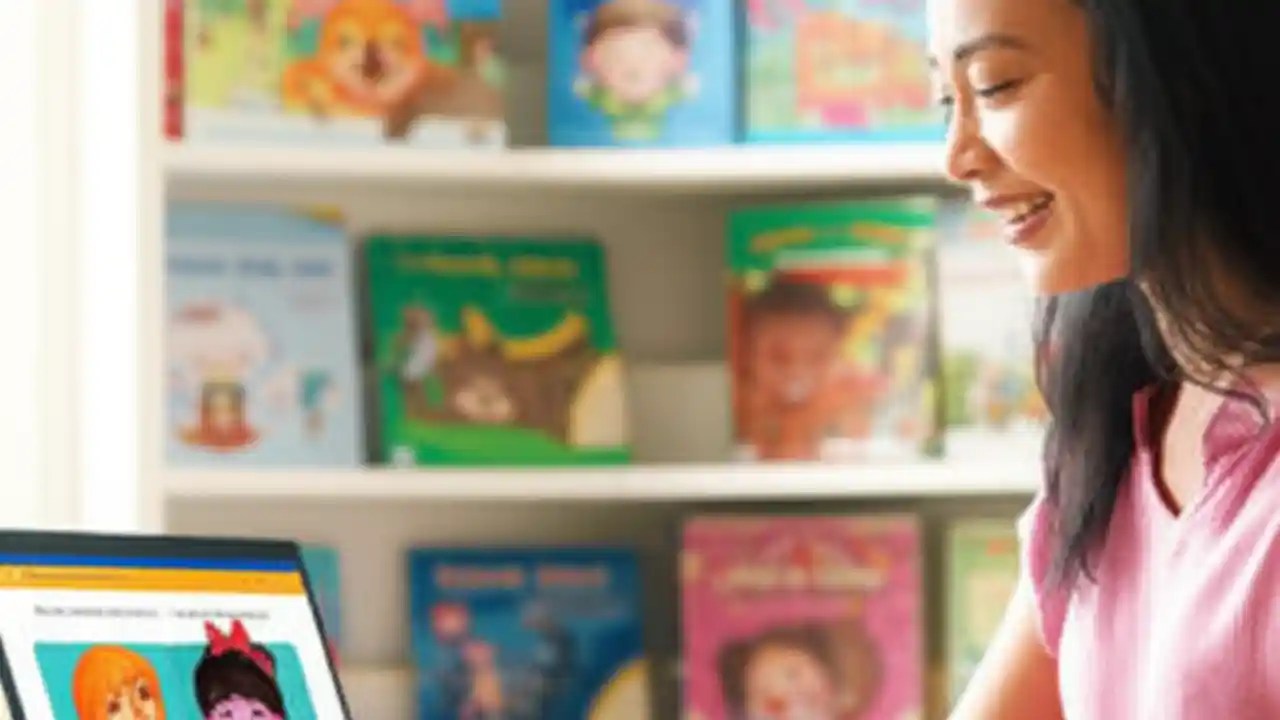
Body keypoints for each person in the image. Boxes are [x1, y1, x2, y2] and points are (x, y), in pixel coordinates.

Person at [929, 0, 1280, 717]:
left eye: (994, 86)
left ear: (1179, 79)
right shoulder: (1119, 425)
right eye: (946, 99)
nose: (957, 155)